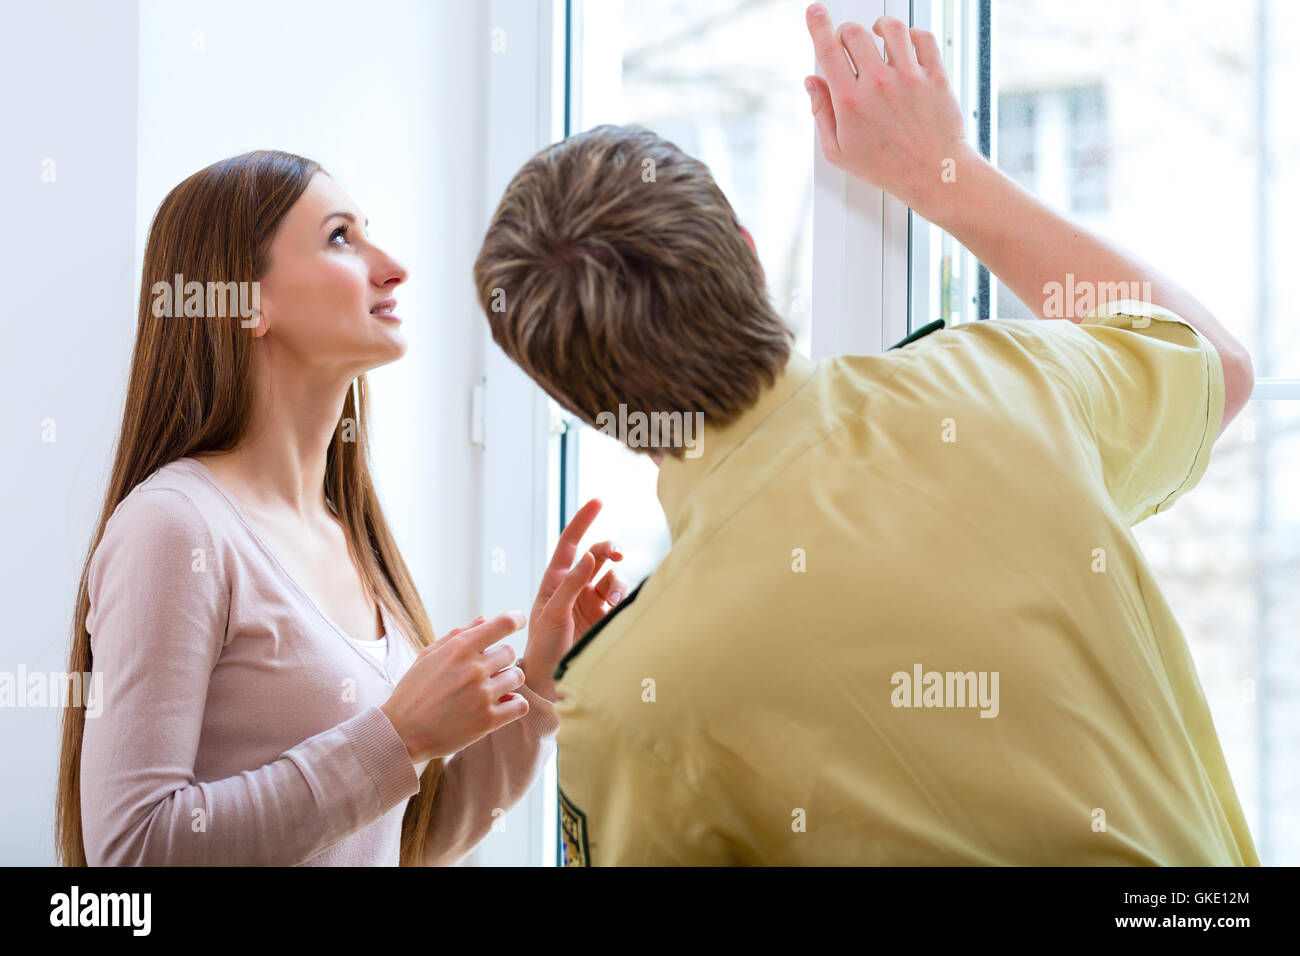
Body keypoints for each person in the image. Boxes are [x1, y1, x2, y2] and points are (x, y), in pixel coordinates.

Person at [471, 5, 1259, 865]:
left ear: (578, 401)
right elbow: (1216, 362)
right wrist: (946, 173)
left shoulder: (627, 705)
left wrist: (633, 674)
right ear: (746, 252)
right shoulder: (1003, 389)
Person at [57, 149, 628, 866]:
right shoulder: (175, 526)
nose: (391, 266)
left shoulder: (351, 535)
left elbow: (409, 839)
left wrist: (540, 685)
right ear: (246, 302)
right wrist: (401, 736)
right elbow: (133, 849)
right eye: (340, 238)